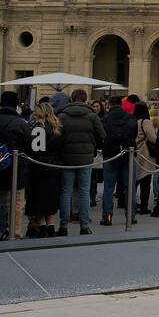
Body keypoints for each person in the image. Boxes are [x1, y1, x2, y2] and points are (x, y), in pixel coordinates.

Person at [56, 89, 106, 235]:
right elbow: (102, 135)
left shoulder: (62, 116)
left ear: (72, 99)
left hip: (66, 158)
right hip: (85, 158)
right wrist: (92, 143)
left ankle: (63, 226)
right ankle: (84, 226)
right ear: (85, 100)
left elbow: (56, 137)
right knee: (84, 192)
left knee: (66, 191)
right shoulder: (92, 116)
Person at [0, 91, 30, 241]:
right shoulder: (21, 123)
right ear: (16, 105)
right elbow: (28, 145)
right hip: (16, 168)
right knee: (16, 204)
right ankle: (14, 233)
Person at [25, 100, 63, 237]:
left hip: (40, 166)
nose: (34, 113)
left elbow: (35, 149)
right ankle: (51, 227)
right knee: (50, 199)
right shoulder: (57, 127)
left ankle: (42, 227)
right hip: (54, 166)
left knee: (39, 199)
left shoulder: (38, 128)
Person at [98, 96, 136, 225]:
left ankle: (107, 216)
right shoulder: (130, 117)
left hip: (110, 153)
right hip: (127, 153)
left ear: (109, 104)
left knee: (108, 186)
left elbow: (101, 135)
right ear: (121, 104)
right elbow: (134, 134)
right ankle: (130, 215)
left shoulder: (105, 118)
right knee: (129, 186)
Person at [131, 101, 156, 217]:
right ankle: (144, 206)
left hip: (133, 152)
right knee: (145, 182)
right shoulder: (145, 122)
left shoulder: (131, 121)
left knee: (133, 181)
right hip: (144, 154)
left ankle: (131, 204)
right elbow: (152, 138)